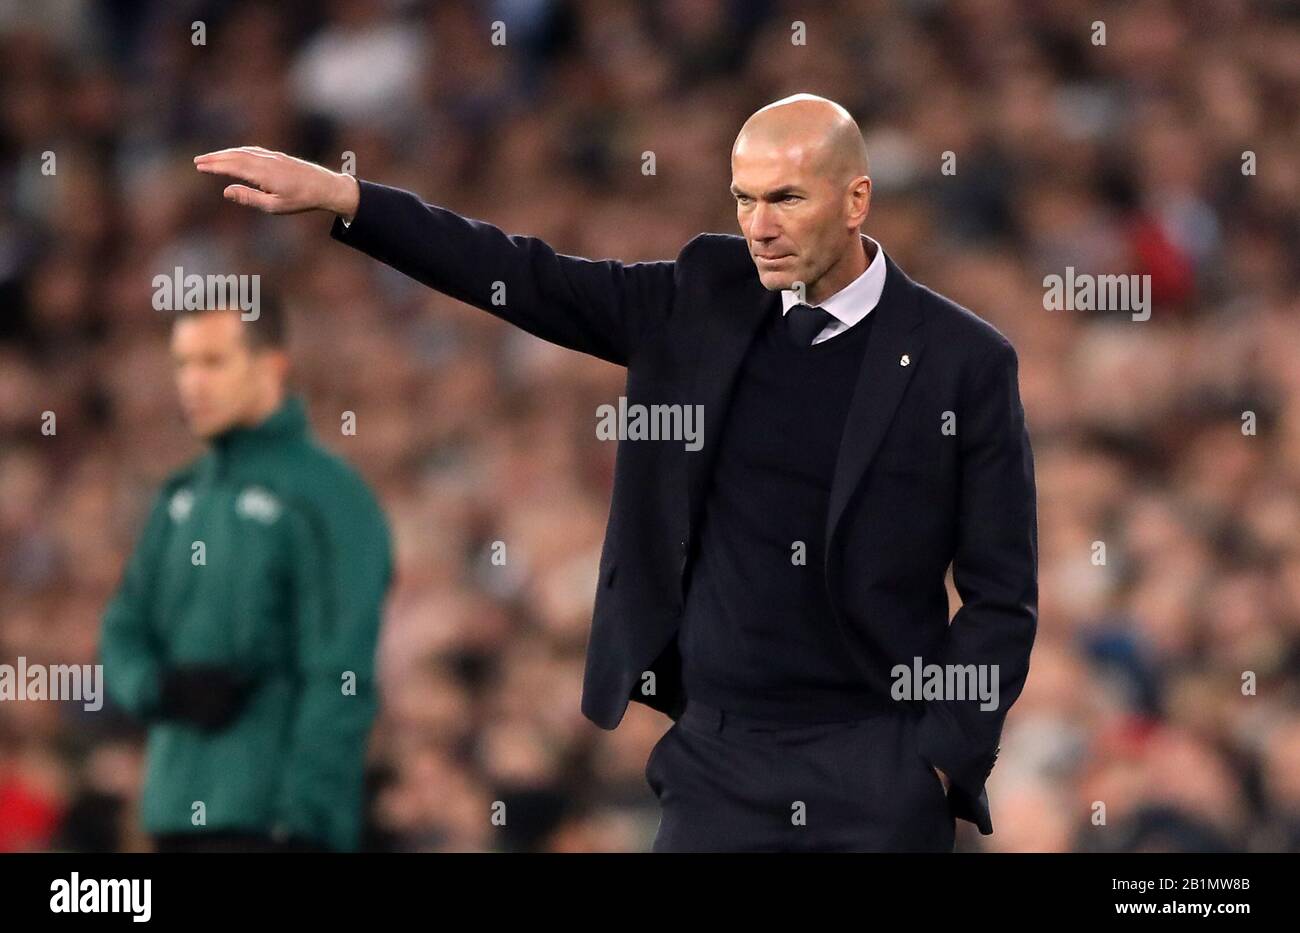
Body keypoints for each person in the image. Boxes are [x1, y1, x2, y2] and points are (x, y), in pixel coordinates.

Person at [193, 92, 1037, 852]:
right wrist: (351, 199)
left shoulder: (961, 362)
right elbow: (525, 276)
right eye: (743, 199)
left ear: (857, 200)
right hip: (719, 759)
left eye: (786, 198)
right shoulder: (703, 297)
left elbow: (1002, 592)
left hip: (875, 762)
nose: (759, 227)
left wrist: (938, 757)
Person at [99, 300, 393, 852]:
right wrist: (156, 686)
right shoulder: (179, 496)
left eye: (213, 362)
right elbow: (122, 627)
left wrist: (306, 820)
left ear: (270, 367)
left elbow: (340, 672)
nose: (192, 383)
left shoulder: (329, 497)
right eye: (182, 364)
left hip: (272, 819)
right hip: (172, 815)